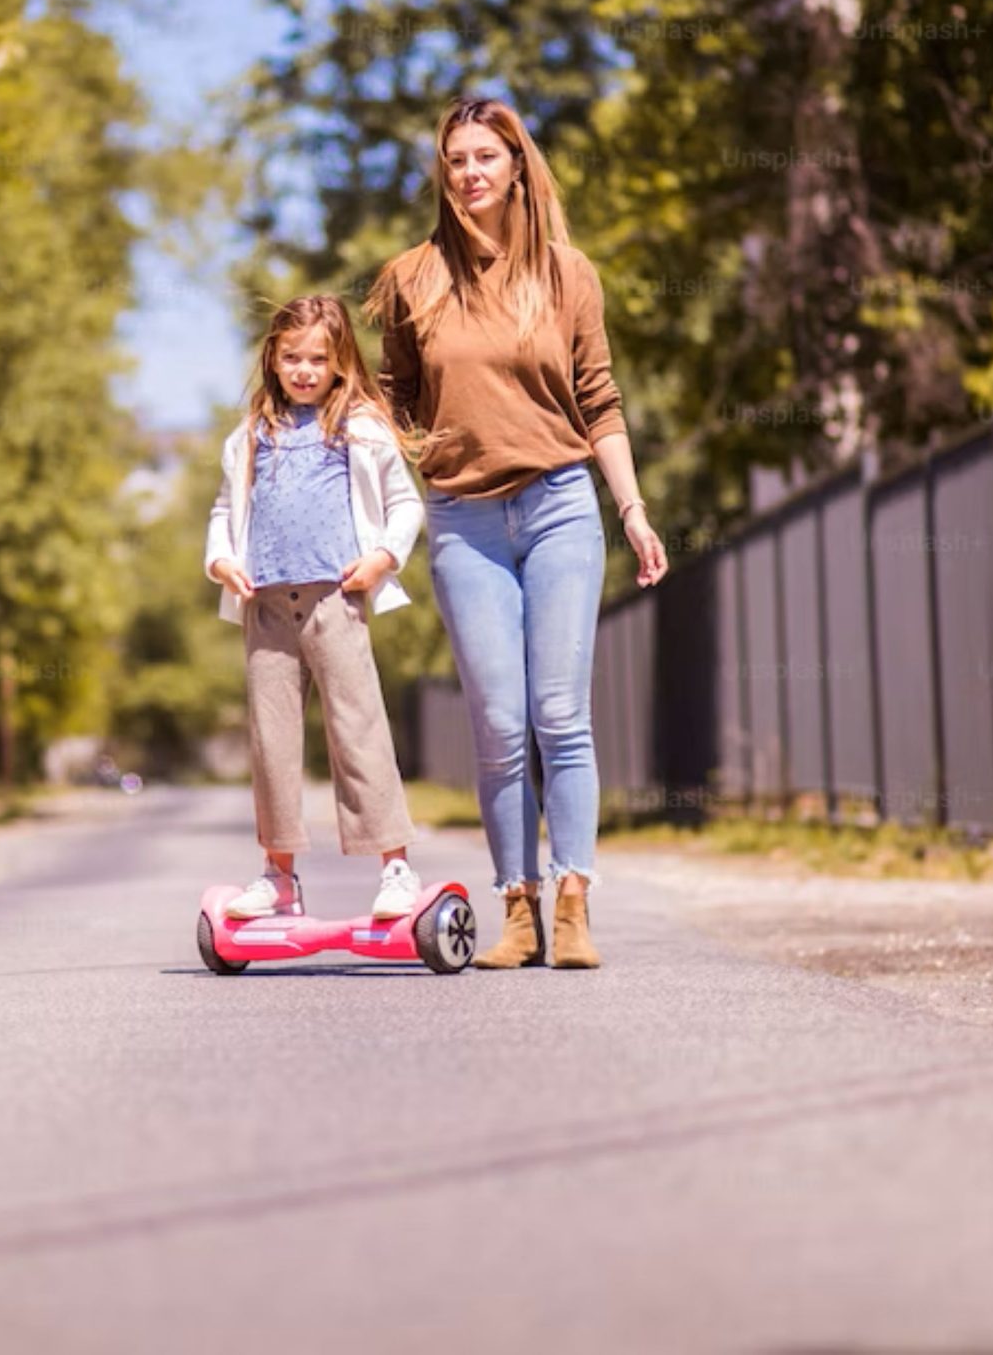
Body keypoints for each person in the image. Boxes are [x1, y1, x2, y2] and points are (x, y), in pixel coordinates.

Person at [365, 96, 668, 970]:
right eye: (454, 159)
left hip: (562, 504)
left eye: (484, 157)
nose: (468, 172)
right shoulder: (412, 278)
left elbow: (600, 401)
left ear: (516, 165)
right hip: (465, 522)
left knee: (559, 714)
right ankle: (518, 907)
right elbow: (392, 398)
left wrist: (634, 509)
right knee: (498, 724)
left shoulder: (569, 274)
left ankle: (573, 900)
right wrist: (410, 472)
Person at [204, 294, 427, 923]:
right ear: (272, 358)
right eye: (291, 357)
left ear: (339, 363)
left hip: (336, 598)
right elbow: (224, 512)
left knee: (358, 729)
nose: (303, 370)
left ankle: (396, 866)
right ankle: (278, 876)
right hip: (267, 606)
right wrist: (222, 561)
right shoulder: (250, 436)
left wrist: (384, 557)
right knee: (272, 741)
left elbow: (405, 504)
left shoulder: (360, 427)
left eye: (317, 359)